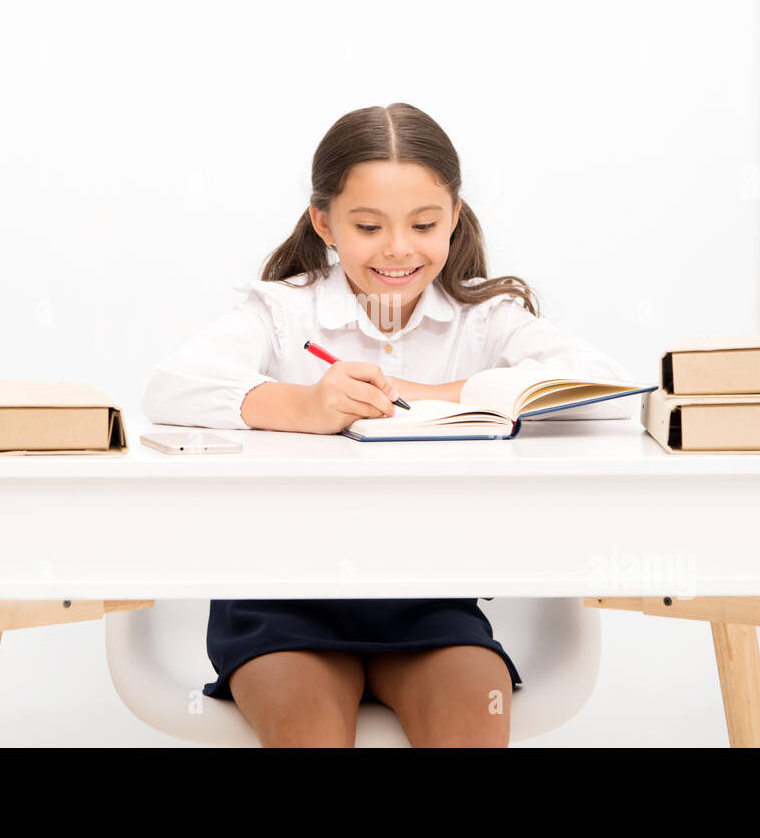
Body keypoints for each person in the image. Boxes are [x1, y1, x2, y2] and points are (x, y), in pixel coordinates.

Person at [141, 102, 636, 747]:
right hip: (281, 601)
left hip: (429, 604)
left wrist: (433, 392)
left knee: (472, 726)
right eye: (369, 226)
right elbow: (170, 385)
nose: (399, 249)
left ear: (454, 217)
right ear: (324, 222)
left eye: (424, 224)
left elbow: (610, 393)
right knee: (309, 733)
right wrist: (304, 408)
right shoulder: (286, 313)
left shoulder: (483, 318)